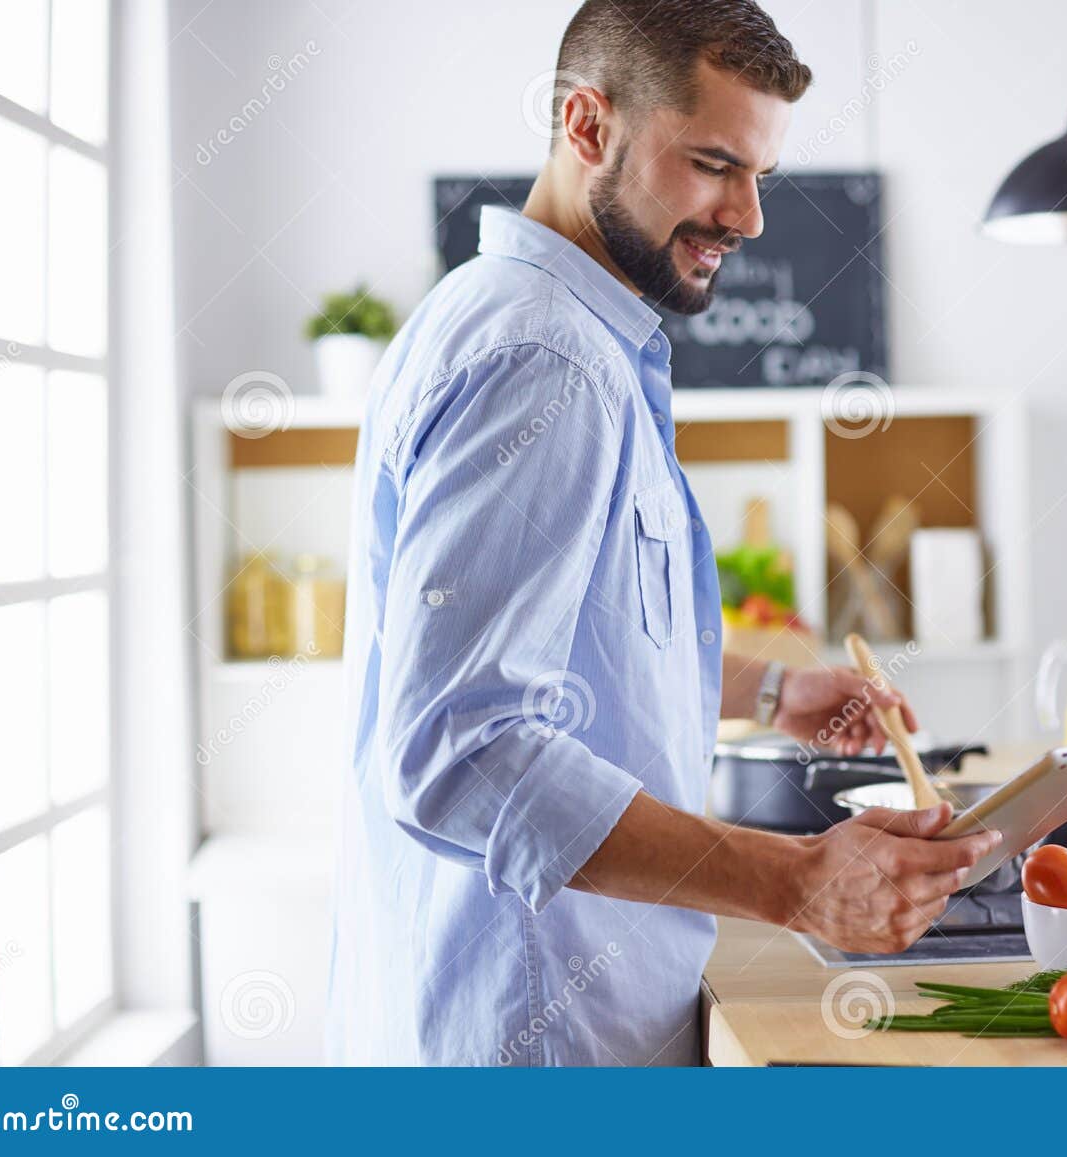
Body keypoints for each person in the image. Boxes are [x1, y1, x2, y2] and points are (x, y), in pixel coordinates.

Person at [326, 0, 1000, 1067]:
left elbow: (565, 637)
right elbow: (464, 748)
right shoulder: (541, 361)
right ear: (587, 125)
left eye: (760, 177)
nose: (748, 217)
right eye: (713, 164)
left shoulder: (517, 318)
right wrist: (792, 879)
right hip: (539, 1035)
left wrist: (773, 691)